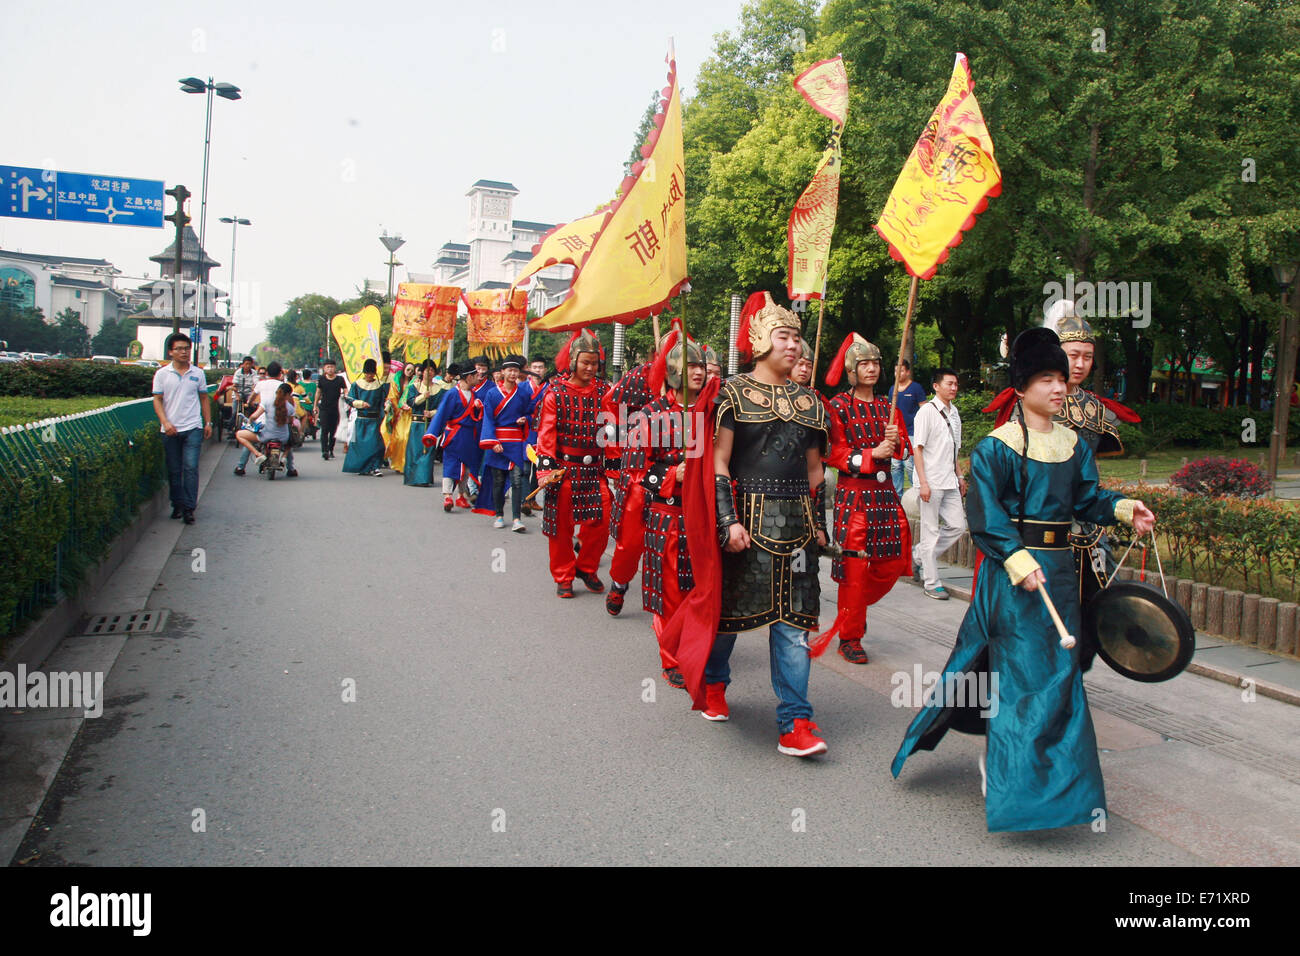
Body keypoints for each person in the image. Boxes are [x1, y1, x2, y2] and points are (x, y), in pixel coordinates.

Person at [892, 327, 1156, 832]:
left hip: (1059, 575)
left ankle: (1060, 787)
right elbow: (986, 515)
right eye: (1046, 379)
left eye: (1062, 378)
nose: (1059, 386)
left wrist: (1124, 507)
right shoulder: (997, 448)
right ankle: (1009, 773)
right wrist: (1016, 559)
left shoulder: (1073, 445)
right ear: (1021, 387)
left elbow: (1087, 500)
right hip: (1012, 577)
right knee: (1019, 675)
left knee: (1061, 677)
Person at [702, 292, 830, 757]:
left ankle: (796, 720)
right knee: (730, 618)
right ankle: (714, 682)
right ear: (760, 341)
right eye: (783, 336)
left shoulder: (811, 402)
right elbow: (718, 460)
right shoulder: (732, 393)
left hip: (797, 527)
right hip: (747, 521)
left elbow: (815, 471)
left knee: (795, 626)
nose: (793, 345)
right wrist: (727, 521)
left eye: (797, 337)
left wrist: (819, 524)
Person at [985, 300, 1141, 669]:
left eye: (1088, 356)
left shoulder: (1096, 410)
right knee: (1030, 625)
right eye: (1073, 355)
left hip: (1086, 529)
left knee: (1088, 616)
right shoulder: (1022, 416)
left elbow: (1088, 489)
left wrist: (1122, 507)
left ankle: (1070, 681)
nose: (1081, 364)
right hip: (1036, 530)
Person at [814, 333, 911, 665]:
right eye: (864, 364)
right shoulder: (838, 406)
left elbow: (903, 451)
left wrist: (897, 442)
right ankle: (850, 636)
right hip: (854, 496)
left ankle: (852, 609)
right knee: (854, 571)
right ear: (852, 370)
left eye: (875, 363)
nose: (871, 369)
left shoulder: (889, 406)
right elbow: (834, 453)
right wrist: (872, 454)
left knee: (893, 562)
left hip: (885, 495)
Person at [626, 334, 707, 688]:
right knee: (671, 590)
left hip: (703, 515)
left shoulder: (713, 411)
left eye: (701, 365)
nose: (698, 372)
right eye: (690, 366)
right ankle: (672, 657)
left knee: (700, 589)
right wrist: (674, 474)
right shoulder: (650, 415)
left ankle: (696, 649)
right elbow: (635, 471)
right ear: (673, 370)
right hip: (667, 513)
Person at [534, 329, 612, 598]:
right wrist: (546, 470)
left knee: (603, 519)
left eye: (594, 363)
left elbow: (613, 430)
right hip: (564, 470)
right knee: (561, 527)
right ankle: (563, 575)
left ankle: (587, 567)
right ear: (573, 361)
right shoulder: (555, 393)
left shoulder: (605, 392)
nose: (590, 368)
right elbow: (546, 434)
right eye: (585, 362)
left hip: (594, 470)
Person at [604, 336, 665, 615]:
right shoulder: (639, 376)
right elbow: (613, 411)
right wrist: (616, 456)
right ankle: (619, 582)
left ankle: (669, 607)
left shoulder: (693, 383)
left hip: (677, 476)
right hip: (639, 472)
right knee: (630, 542)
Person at [911, 367, 967, 600]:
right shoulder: (926, 412)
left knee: (958, 526)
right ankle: (932, 582)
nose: (953, 388)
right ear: (936, 386)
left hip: (949, 480)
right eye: (949, 383)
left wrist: (960, 476)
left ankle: (918, 556)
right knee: (930, 531)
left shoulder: (954, 413)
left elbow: (955, 449)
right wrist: (923, 482)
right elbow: (917, 449)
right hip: (931, 481)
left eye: (955, 384)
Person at [151, 332, 212, 524]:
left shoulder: (198, 373)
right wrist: (165, 423)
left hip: (193, 427)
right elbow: (157, 400)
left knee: (191, 467)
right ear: (170, 352)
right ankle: (177, 503)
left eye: (186, 348)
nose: (184, 352)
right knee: (174, 470)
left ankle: (189, 508)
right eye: (179, 349)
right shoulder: (162, 374)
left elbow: (204, 398)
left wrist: (208, 423)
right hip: (170, 430)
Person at [476, 355, 540, 530]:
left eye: (516, 370)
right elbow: (488, 418)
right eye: (510, 370)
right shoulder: (492, 394)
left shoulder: (523, 394)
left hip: (516, 442)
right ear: (502, 372)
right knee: (498, 480)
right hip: (497, 441)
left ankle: (517, 519)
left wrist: (525, 419)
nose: (513, 373)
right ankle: (499, 515)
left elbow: (531, 413)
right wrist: (492, 441)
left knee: (517, 480)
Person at [426, 362, 485, 510]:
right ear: (469, 377)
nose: (479, 378)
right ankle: (447, 496)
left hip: (469, 436)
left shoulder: (475, 395)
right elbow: (442, 414)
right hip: (454, 436)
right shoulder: (452, 394)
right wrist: (432, 433)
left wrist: (478, 409)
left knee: (466, 467)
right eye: (476, 375)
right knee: (451, 465)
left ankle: (460, 495)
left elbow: (478, 417)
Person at [236, 361, 298, 477]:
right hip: (281, 425)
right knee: (289, 439)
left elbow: (251, 399)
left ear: (267, 373)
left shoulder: (261, 385)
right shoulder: (283, 387)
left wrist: (249, 404)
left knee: (250, 440)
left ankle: (241, 466)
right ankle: (290, 468)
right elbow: (291, 405)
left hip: (262, 423)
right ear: (280, 373)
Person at [888, 359, 927, 496]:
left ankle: (916, 493)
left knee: (910, 465)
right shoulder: (892, 389)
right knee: (895, 465)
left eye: (901, 370)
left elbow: (924, 409)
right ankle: (897, 496)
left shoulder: (916, 388)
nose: (898, 373)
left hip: (912, 432)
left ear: (908, 372)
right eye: (896, 371)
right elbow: (890, 410)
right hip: (896, 433)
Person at [342, 358, 387, 476]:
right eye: (367, 373)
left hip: (375, 420)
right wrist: (361, 403)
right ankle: (363, 467)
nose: (369, 375)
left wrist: (386, 407)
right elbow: (349, 399)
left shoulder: (380, 385)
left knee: (376, 445)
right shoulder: (357, 384)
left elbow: (383, 401)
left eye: (372, 373)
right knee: (361, 445)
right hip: (362, 419)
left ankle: (375, 467)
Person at [402, 359, 439, 487]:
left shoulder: (439, 389)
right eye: (427, 370)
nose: (429, 373)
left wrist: (432, 413)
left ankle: (424, 478)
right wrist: (423, 396)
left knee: (428, 452)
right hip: (416, 424)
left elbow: (442, 408)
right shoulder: (414, 387)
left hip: (430, 425)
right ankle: (413, 478)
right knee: (415, 451)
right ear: (422, 372)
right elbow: (411, 402)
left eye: (432, 370)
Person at [382, 360, 413, 474]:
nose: (410, 372)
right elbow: (392, 397)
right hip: (398, 414)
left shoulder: (415, 383)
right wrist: (393, 405)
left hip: (409, 414)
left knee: (406, 438)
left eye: (412, 370)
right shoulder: (396, 381)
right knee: (398, 438)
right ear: (404, 369)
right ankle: (397, 463)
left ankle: (405, 465)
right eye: (408, 369)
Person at [313, 358, 347, 460]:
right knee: (324, 429)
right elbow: (318, 392)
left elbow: (345, 390)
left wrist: (346, 396)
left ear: (335, 368)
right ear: (324, 368)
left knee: (333, 430)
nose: (330, 369)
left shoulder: (340, 379)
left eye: (332, 367)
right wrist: (315, 405)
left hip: (336, 408)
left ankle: (331, 449)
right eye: (328, 367)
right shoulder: (322, 379)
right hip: (324, 408)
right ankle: (324, 450)